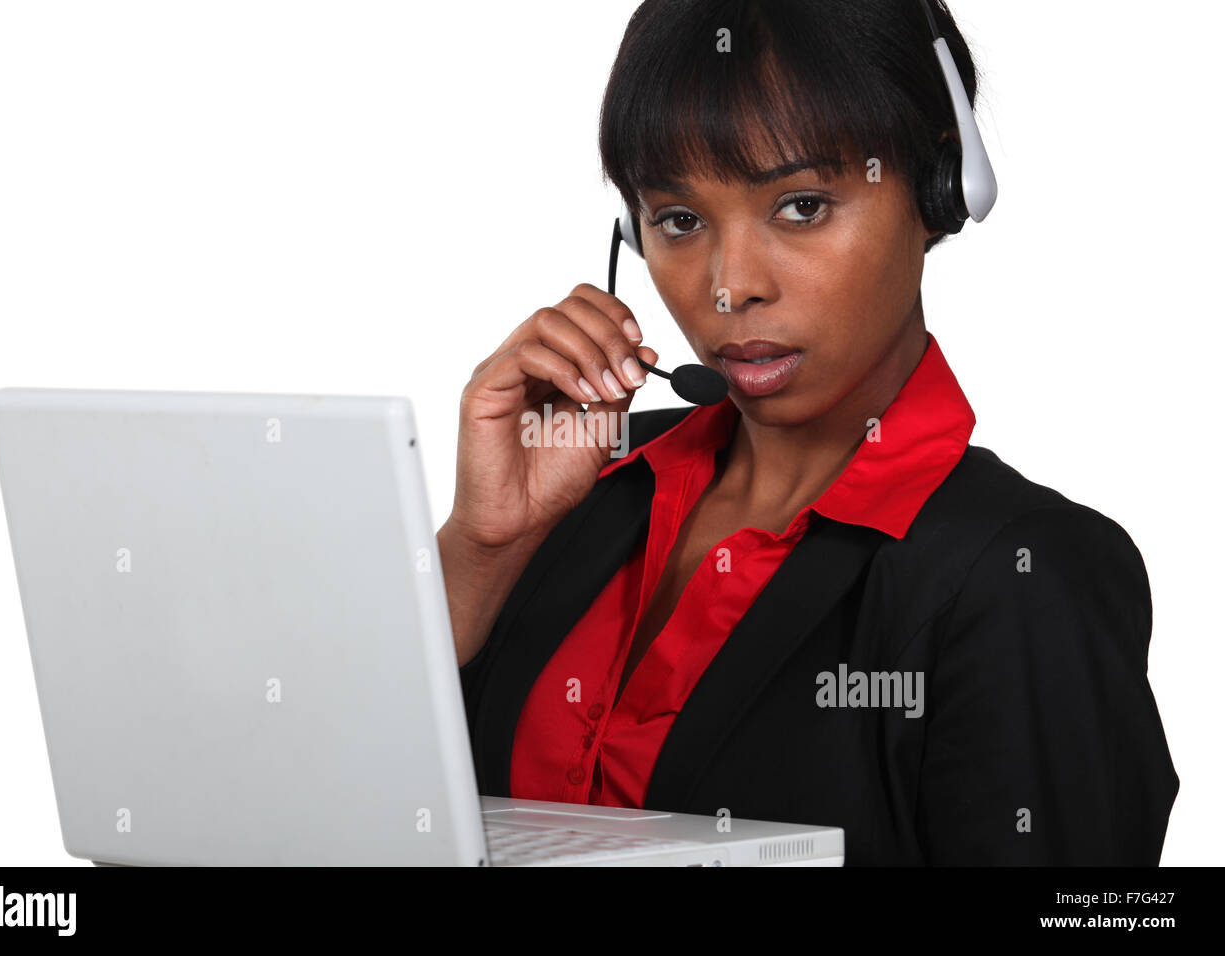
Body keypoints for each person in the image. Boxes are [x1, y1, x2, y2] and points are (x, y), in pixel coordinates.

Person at [436, 0, 1178, 864]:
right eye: (679, 219)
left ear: (941, 191)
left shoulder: (1023, 574)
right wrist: (483, 547)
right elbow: (339, 807)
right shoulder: (582, 487)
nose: (729, 286)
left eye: (800, 206)